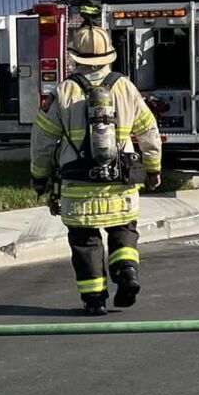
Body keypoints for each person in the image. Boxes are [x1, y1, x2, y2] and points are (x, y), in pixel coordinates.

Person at [30, 24, 162, 314]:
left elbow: (42, 142)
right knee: (123, 229)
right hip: (121, 181)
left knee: (85, 240)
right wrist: (153, 168)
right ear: (109, 56)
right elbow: (149, 131)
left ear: (74, 57)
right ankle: (127, 271)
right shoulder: (126, 87)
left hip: (78, 187)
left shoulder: (64, 91)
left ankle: (94, 300)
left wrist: (39, 176)